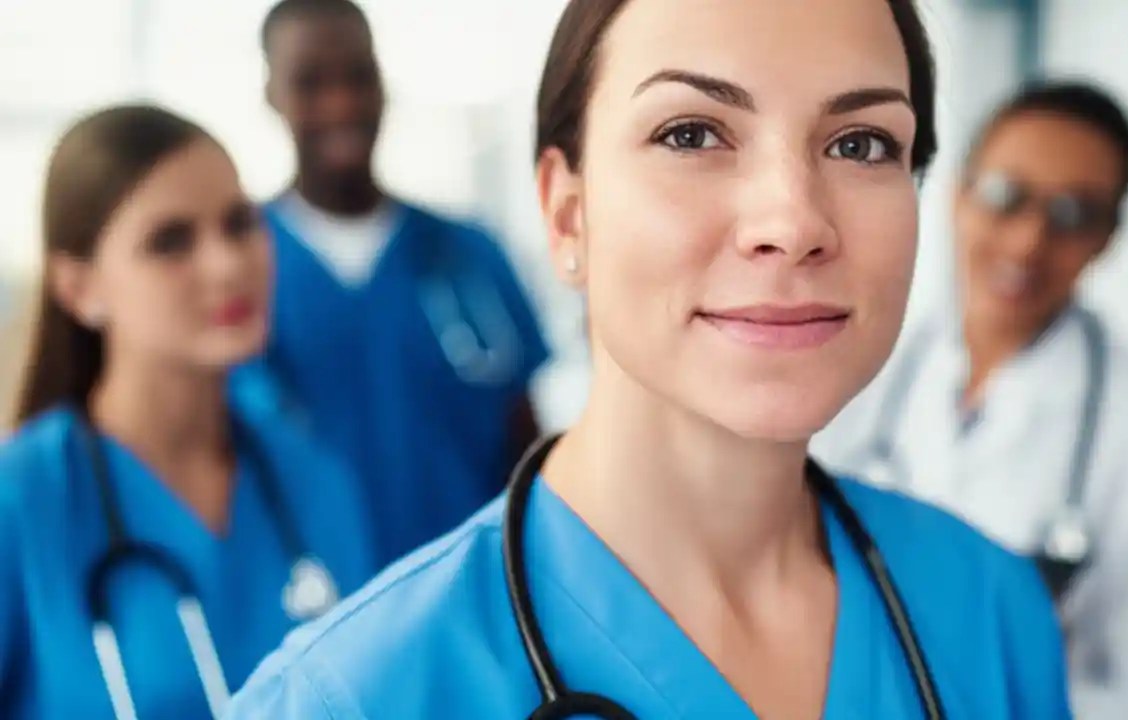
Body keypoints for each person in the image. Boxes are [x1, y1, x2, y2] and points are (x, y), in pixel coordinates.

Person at [228, 0, 1073, 717]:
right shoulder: (350, 696)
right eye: (693, 132)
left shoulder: (991, 615)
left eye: (860, 145)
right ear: (567, 216)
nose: (794, 220)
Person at [812, 81, 1128, 719]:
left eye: (1072, 215)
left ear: (1109, 236)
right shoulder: (854, 365)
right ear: (958, 194)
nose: (1027, 242)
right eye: (1006, 196)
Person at [0, 105, 375, 718]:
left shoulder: (313, 477)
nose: (228, 264)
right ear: (79, 288)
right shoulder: (22, 501)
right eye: (170, 241)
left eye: (239, 224)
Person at [250, 0, 550, 567]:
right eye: (311, 82)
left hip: (472, 597)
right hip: (306, 611)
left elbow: (526, 446)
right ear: (272, 94)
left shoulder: (470, 253)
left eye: (358, 76)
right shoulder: (238, 267)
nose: (341, 103)